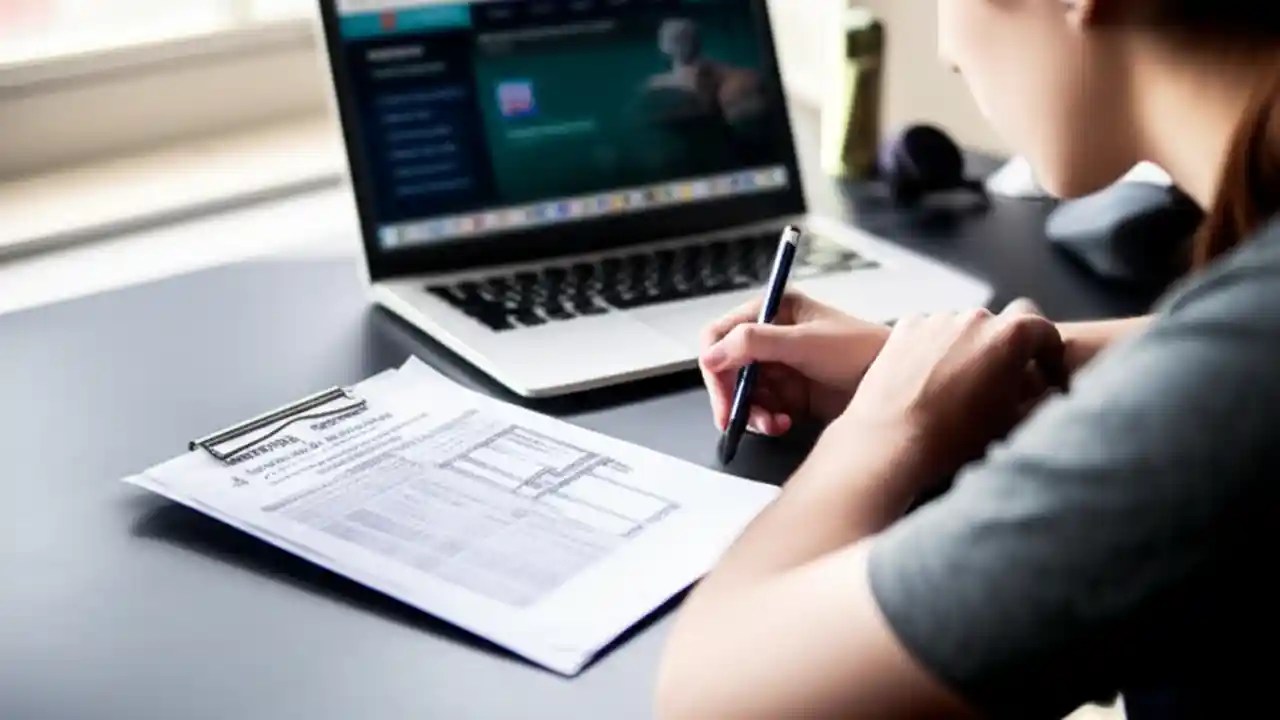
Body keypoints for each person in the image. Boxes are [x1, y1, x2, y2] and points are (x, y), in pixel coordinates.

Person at [657, 1, 1280, 718]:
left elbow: (720, 694)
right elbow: (1219, 345)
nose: (949, 50)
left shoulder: (1232, 385)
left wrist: (887, 425)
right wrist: (951, 363)